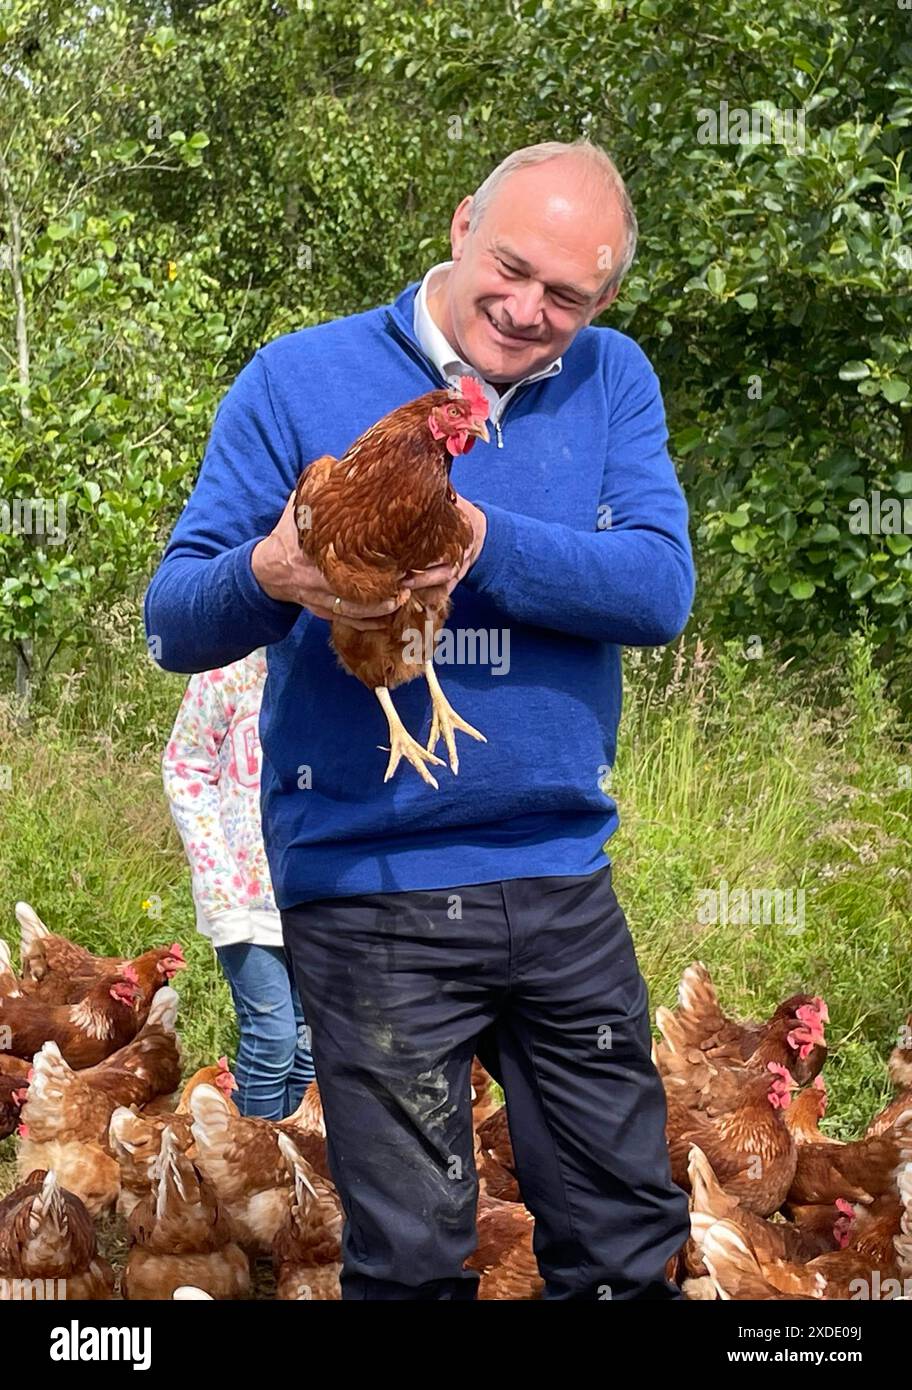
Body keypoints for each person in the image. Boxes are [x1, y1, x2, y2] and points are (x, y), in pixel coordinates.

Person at [145, 138, 695, 1299]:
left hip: (559, 876)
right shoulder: (297, 378)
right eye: (514, 267)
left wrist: (473, 539)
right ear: (459, 226)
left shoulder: (613, 378)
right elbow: (173, 621)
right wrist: (273, 573)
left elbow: (656, 589)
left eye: (570, 296)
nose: (531, 308)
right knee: (410, 1255)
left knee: (625, 1233)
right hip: (371, 878)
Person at [162, 648, 314, 1120]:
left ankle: (294, 1174)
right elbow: (185, 766)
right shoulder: (230, 670)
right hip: (243, 897)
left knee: (310, 1047)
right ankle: (253, 1174)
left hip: (314, 893)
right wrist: (217, 875)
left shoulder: (327, 668)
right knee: (273, 1037)